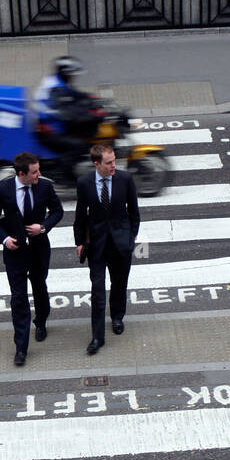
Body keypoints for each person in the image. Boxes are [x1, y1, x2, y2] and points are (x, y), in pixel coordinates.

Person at [0, 152, 63, 366]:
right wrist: (4, 238)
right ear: (21, 174)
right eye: (35, 172)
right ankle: (21, 348)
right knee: (18, 298)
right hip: (15, 252)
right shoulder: (3, 190)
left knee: (39, 287)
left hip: (38, 249)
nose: (39, 175)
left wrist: (43, 227)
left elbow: (58, 211)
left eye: (39, 170)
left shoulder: (44, 187)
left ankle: (42, 321)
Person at [73, 144, 140, 356]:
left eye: (114, 161)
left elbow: (134, 213)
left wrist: (130, 238)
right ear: (97, 164)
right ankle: (97, 337)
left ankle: (118, 316)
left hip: (121, 243)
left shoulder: (125, 179)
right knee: (97, 291)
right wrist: (80, 242)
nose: (114, 165)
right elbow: (80, 216)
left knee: (119, 284)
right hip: (97, 245)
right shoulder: (84, 183)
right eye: (109, 162)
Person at [32, 56, 98, 183]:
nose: (74, 77)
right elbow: (64, 111)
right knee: (80, 145)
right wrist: (87, 114)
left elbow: (74, 94)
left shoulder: (56, 81)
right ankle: (67, 177)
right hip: (50, 129)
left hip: (53, 124)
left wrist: (92, 98)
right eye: (72, 74)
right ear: (65, 73)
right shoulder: (55, 88)